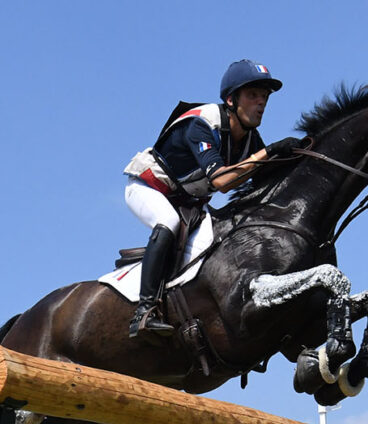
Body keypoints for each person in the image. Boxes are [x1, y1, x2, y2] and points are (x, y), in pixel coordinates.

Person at [121, 59, 302, 337]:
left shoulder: (250, 140)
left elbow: (265, 183)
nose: (261, 102)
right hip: (150, 187)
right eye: (253, 95)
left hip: (189, 202)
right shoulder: (202, 123)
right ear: (231, 100)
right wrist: (268, 154)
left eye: (264, 96)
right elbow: (222, 181)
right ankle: (143, 312)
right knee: (167, 222)